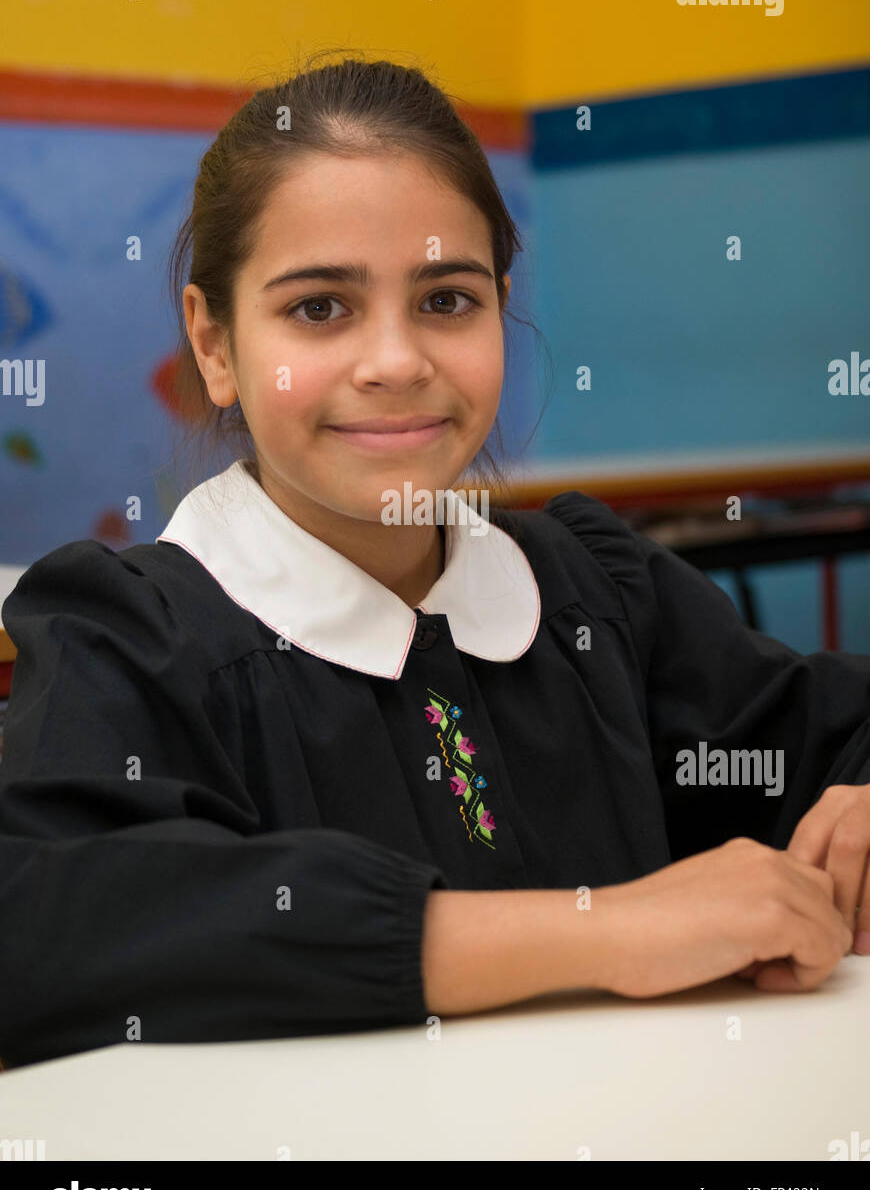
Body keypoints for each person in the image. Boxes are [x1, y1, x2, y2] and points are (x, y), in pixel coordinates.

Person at [1, 55, 868, 1072]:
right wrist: (604, 930)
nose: (396, 360)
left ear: (502, 307)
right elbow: (41, 920)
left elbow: (827, 733)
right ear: (215, 342)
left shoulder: (598, 596)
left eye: (446, 301)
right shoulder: (133, 637)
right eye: (319, 307)